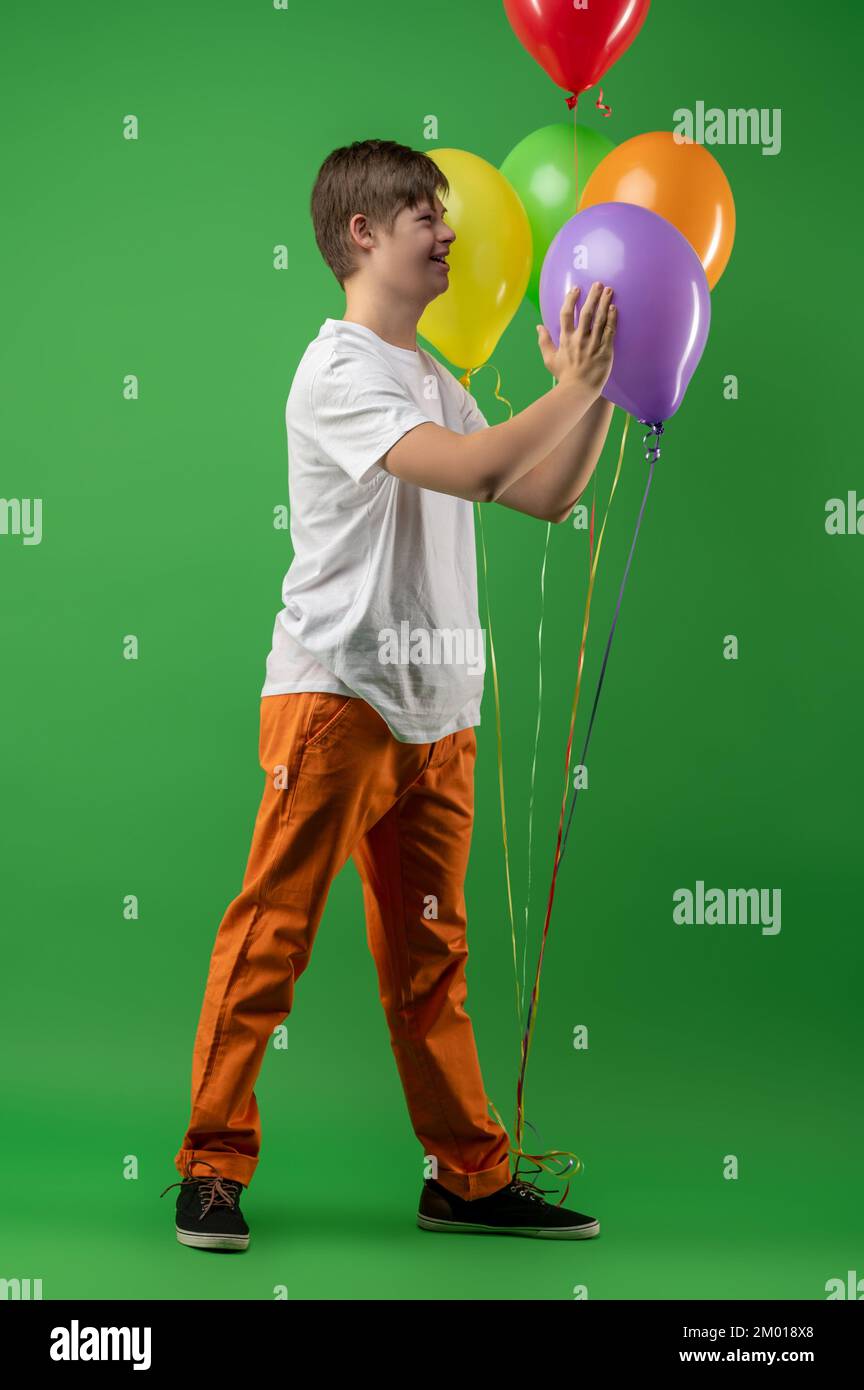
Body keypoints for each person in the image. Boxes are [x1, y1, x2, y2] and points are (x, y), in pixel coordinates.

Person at [160, 138, 617, 1250]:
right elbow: (472, 472)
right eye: (426, 211)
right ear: (361, 233)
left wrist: (604, 396)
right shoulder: (338, 369)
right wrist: (570, 387)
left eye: (446, 212)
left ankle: (466, 1177)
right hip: (339, 701)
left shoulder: (435, 381)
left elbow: (543, 492)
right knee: (272, 934)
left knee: (432, 962)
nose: (449, 229)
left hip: (437, 712)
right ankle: (211, 1168)